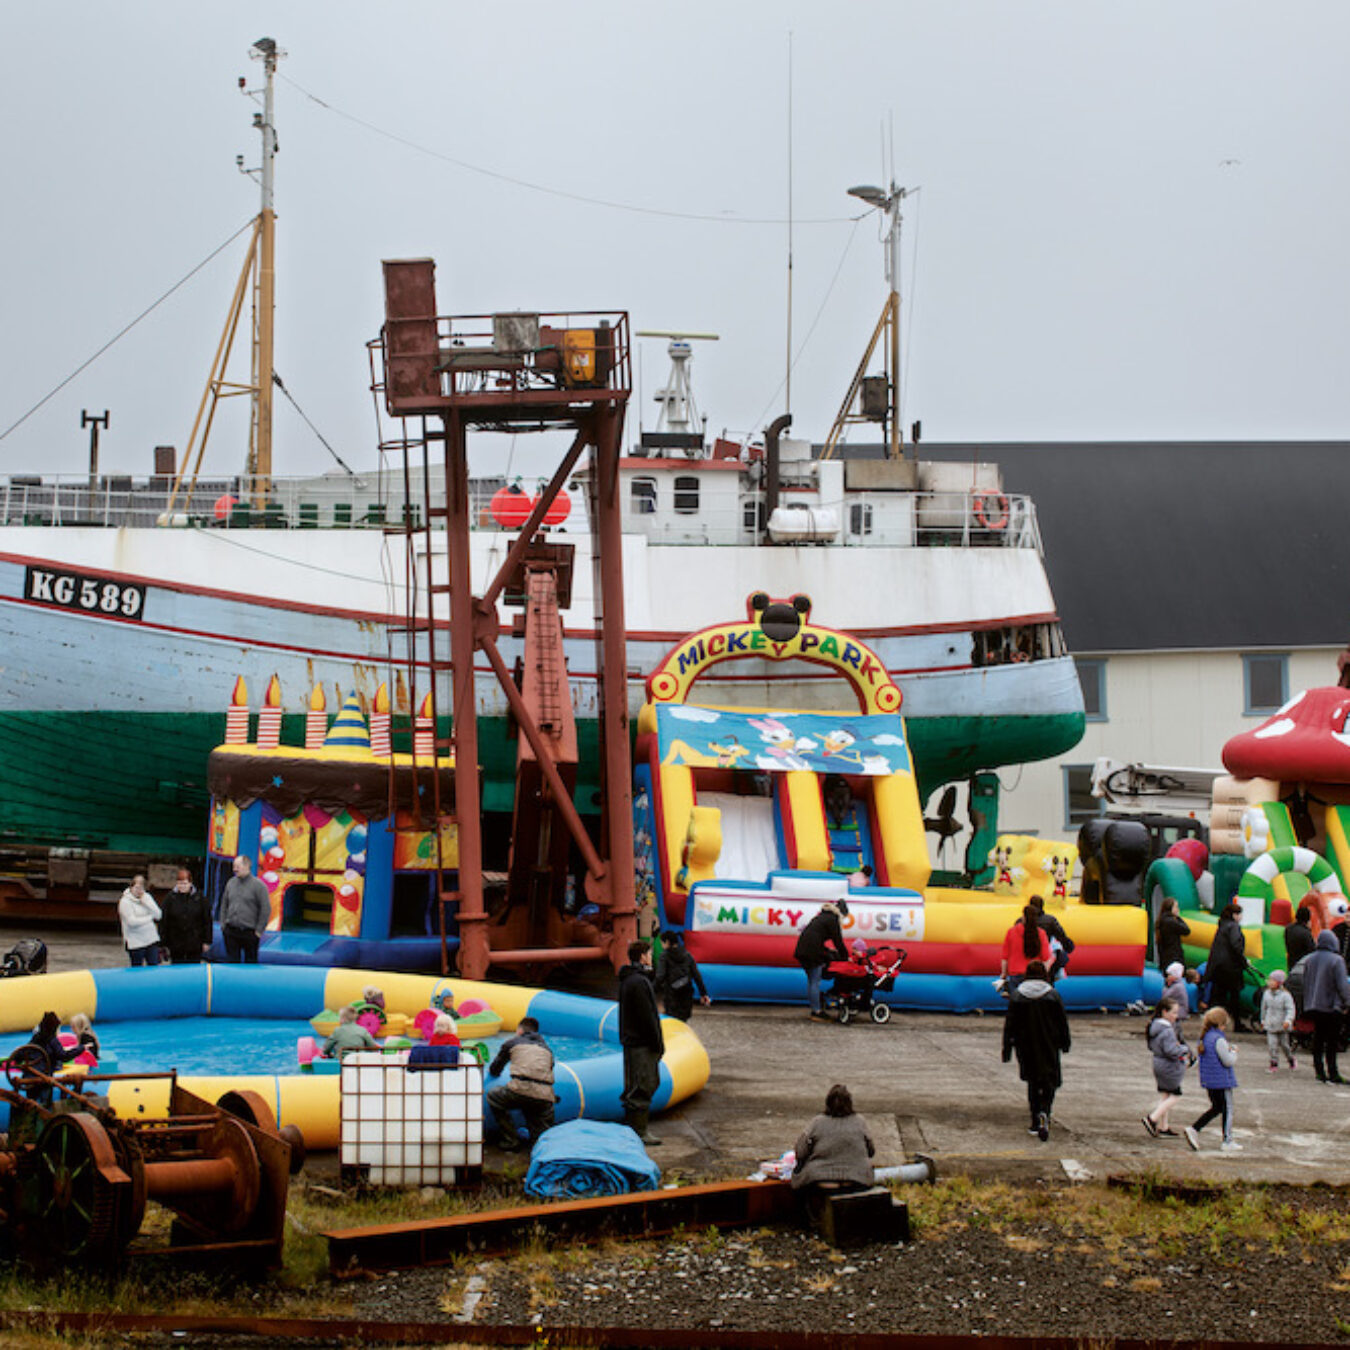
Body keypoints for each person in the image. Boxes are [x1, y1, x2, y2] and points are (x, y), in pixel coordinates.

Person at [1001, 958, 1070, 1141]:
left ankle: (1034, 1119)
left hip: (1025, 1046)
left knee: (1032, 1082)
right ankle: (1045, 1111)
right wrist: (1065, 1043)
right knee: (1050, 1081)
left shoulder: (1017, 996)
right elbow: (1062, 1022)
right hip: (1049, 1044)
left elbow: (1010, 1025)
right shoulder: (1053, 995)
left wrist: (1007, 1048)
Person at [790, 1083, 875, 1216]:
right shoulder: (860, 1121)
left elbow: (800, 1152)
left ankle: (809, 1219)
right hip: (858, 1179)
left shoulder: (817, 1122)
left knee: (798, 1182)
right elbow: (871, 1151)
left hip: (821, 1179)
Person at [618, 939, 665, 1146]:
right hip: (641, 1043)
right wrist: (657, 1043)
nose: (652, 957)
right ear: (643, 956)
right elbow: (647, 1017)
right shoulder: (638, 982)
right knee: (643, 1085)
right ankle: (639, 1131)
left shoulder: (630, 979)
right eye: (649, 953)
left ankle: (634, 1129)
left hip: (634, 1042)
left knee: (637, 1085)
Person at [487, 1015, 557, 1150]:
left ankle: (510, 1139)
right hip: (545, 1096)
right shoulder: (547, 1049)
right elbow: (550, 1069)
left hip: (520, 1090)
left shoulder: (512, 1043)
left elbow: (495, 1069)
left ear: (519, 1031)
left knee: (494, 1097)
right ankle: (540, 1148)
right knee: (539, 1119)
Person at [1185, 1007, 1241, 1153]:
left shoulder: (1205, 1037)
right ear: (1221, 1024)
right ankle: (1227, 1140)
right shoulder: (1219, 1039)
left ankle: (1194, 1128)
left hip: (1209, 1081)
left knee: (1217, 1108)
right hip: (1222, 1081)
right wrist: (1234, 1052)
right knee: (1227, 1109)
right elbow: (1228, 1061)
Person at [1301, 929, 1350, 1084]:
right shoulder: (1337, 960)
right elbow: (1342, 985)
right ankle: (1333, 1072)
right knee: (1332, 1041)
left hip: (1314, 1005)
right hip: (1331, 1006)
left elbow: (1305, 981)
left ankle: (1319, 1071)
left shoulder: (1309, 959)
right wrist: (1347, 1002)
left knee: (1318, 1038)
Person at [1142, 997, 1191, 1138]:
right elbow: (1171, 1050)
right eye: (1174, 1013)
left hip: (1158, 1063)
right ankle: (1152, 1118)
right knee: (1176, 1095)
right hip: (1168, 1066)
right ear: (1164, 1012)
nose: (1176, 1016)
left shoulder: (1154, 1027)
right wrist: (1184, 1049)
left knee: (1166, 1094)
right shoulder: (1168, 1030)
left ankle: (1164, 1126)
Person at [794, 900, 850, 1022]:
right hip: (812, 952)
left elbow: (813, 937)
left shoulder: (822, 916)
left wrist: (827, 950)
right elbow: (838, 941)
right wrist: (846, 958)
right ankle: (817, 1011)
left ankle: (816, 1008)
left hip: (803, 950)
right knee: (815, 981)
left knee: (812, 982)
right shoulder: (833, 919)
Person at [1205, 902, 1248, 1032]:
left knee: (1218, 996)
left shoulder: (1222, 926)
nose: (1240, 917)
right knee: (1234, 996)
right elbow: (1236, 945)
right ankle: (1237, 1023)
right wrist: (1243, 960)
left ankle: (1212, 1022)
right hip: (1231, 967)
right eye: (1239, 914)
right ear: (1234, 915)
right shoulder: (1234, 927)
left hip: (1219, 967)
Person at [219, 854, 270, 963]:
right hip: (231, 931)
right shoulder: (230, 883)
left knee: (250, 963)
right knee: (231, 962)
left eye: (237, 866)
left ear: (247, 866)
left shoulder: (259, 886)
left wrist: (259, 931)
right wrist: (223, 925)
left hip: (249, 932)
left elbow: (265, 909)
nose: (234, 869)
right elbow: (224, 904)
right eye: (234, 866)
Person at [159, 867, 213, 964]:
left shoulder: (200, 898)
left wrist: (207, 941)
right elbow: (164, 921)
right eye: (180, 883)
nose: (182, 886)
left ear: (190, 883)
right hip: (175, 944)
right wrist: (163, 942)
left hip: (195, 943)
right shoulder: (170, 898)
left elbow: (207, 920)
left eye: (185, 883)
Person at [654, 930, 710, 1022]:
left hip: (671, 996)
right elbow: (696, 976)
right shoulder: (687, 955)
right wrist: (703, 994)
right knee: (682, 1023)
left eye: (662, 943)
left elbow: (660, 976)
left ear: (667, 942)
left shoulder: (664, 956)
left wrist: (651, 990)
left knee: (672, 1023)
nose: (662, 946)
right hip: (686, 995)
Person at [999, 905, 1052, 987]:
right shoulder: (1041, 933)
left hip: (1015, 975)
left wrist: (1004, 974)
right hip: (1035, 976)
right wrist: (1044, 974)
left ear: (1023, 917)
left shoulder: (1011, 932)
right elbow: (1046, 958)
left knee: (1016, 998)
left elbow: (1005, 957)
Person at [117, 874, 163, 967]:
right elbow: (132, 922)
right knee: (137, 969)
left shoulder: (147, 897)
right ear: (131, 887)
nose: (139, 891)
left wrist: (147, 902)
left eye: (141, 888)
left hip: (151, 940)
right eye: (136, 887)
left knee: (154, 967)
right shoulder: (125, 902)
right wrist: (149, 918)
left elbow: (158, 915)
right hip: (135, 942)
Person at [1027, 894, 1075, 981]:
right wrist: (1069, 946)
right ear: (1042, 906)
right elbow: (1061, 935)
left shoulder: (1022, 921)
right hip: (1045, 956)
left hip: (1027, 954)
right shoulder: (1049, 920)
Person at [1260, 970, 1297, 1073]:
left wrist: (1288, 1020)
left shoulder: (1286, 995)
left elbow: (1290, 1009)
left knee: (1285, 1045)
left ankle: (1290, 1059)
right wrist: (1263, 1020)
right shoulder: (1266, 994)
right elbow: (1264, 1008)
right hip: (1270, 1024)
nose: (1270, 982)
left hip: (1282, 1025)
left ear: (1279, 983)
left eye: (1273, 980)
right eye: (1270, 980)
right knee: (1272, 1045)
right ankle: (1274, 1062)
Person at [1155, 897, 1191, 973]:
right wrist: (1178, 917)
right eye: (1176, 907)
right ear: (1170, 908)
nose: (1178, 909)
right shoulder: (1171, 922)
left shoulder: (1162, 920)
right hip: (1174, 957)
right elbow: (1186, 930)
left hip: (1165, 957)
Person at [1283, 905, 1316, 972]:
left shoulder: (1288, 929)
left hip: (1291, 963)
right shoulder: (1305, 933)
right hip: (1302, 966)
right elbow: (1312, 950)